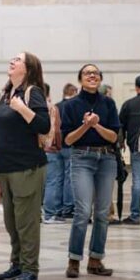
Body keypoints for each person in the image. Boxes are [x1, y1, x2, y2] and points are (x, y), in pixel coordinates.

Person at [0, 53, 50, 280]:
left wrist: (22, 109)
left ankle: (31, 269)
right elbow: (2, 128)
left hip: (26, 167)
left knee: (26, 222)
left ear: (28, 68)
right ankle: (17, 263)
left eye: (17, 59)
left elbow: (43, 125)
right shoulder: (6, 93)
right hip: (6, 168)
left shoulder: (32, 92)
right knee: (11, 222)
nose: (12, 61)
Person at [61, 64, 120, 278]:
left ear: (100, 79)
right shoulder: (71, 105)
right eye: (87, 73)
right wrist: (86, 126)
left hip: (106, 159)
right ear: (80, 79)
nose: (92, 76)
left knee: (103, 213)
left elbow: (114, 137)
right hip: (81, 158)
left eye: (96, 73)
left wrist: (96, 125)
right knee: (83, 210)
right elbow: (68, 140)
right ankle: (74, 260)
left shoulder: (109, 103)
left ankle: (96, 260)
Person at [120, 75, 140, 225]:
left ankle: (135, 215)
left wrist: (121, 143)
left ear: (136, 87)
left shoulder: (129, 104)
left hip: (136, 147)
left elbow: (120, 126)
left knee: (137, 181)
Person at [42, 82, 65, 224]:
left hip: (33, 150)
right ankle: (50, 214)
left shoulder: (28, 106)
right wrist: (58, 145)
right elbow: (56, 129)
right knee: (52, 182)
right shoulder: (51, 108)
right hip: (50, 149)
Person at [58, 83, 78, 218]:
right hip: (69, 145)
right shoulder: (73, 106)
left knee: (57, 178)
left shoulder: (57, 105)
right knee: (70, 177)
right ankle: (68, 206)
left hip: (56, 147)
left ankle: (58, 206)